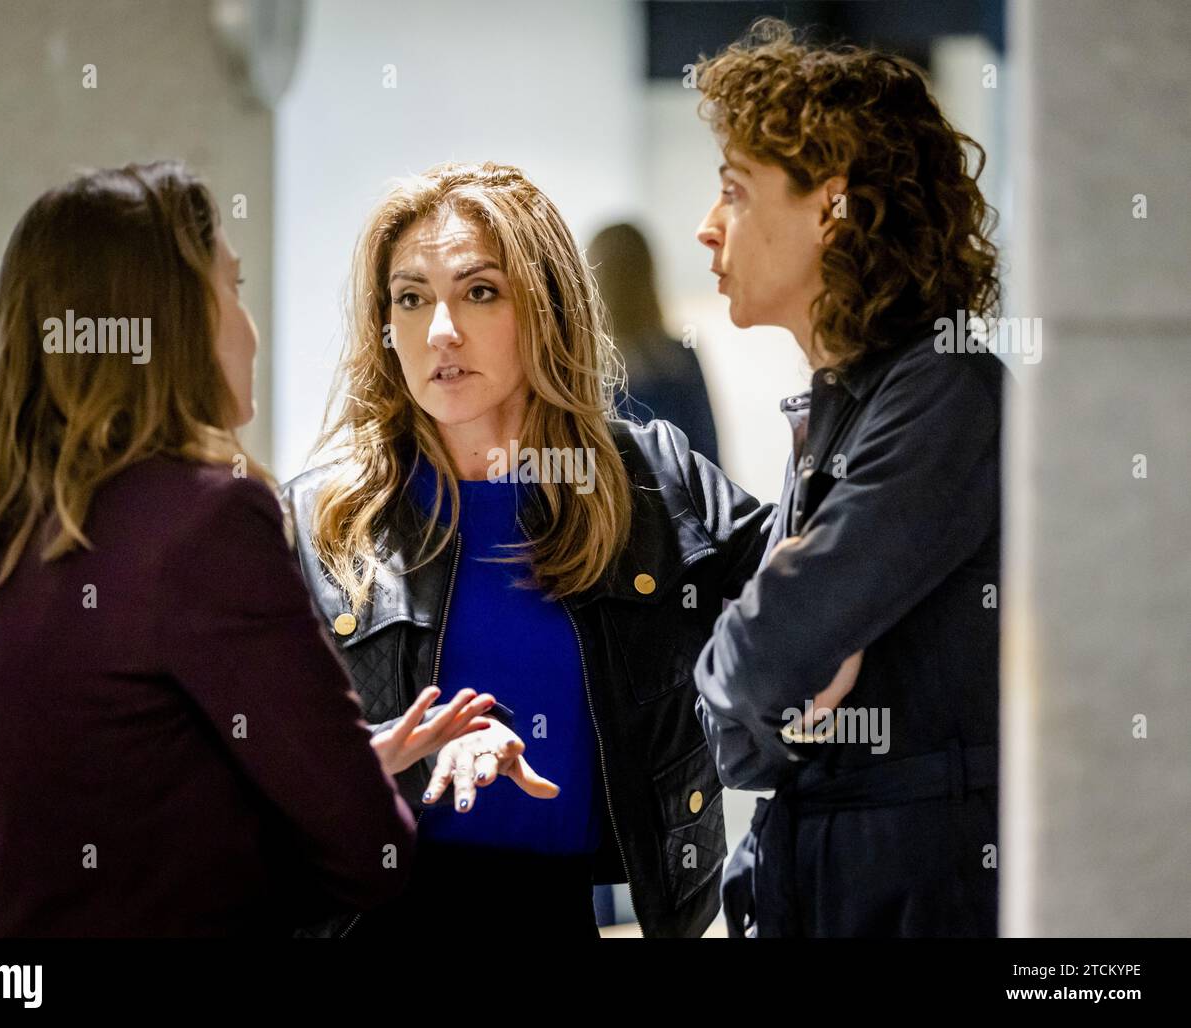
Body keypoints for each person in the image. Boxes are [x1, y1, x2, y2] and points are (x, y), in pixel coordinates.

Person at [0, 160, 494, 936]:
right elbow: (370, 853)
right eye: (233, 287)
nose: (248, 328)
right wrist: (342, 792)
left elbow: (119, 819)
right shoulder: (207, 522)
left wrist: (329, 765)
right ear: (171, 319)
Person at [281, 160, 842, 938]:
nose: (440, 330)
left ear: (543, 308)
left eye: (480, 292)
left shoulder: (647, 480)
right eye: (410, 299)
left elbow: (815, 605)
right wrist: (382, 757)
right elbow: (248, 766)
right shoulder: (318, 518)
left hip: (564, 913)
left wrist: (836, 384)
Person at [691, 19, 1004, 937]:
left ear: (832, 208)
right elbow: (738, 730)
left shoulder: (949, 391)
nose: (708, 227)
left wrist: (769, 685)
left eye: (736, 193)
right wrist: (781, 711)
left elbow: (764, 651)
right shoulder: (849, 405)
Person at [589, 222, 721, 467]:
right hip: (682, 502)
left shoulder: (580, 369)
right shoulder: (678, 359)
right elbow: (709, 460)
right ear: (649, 275)